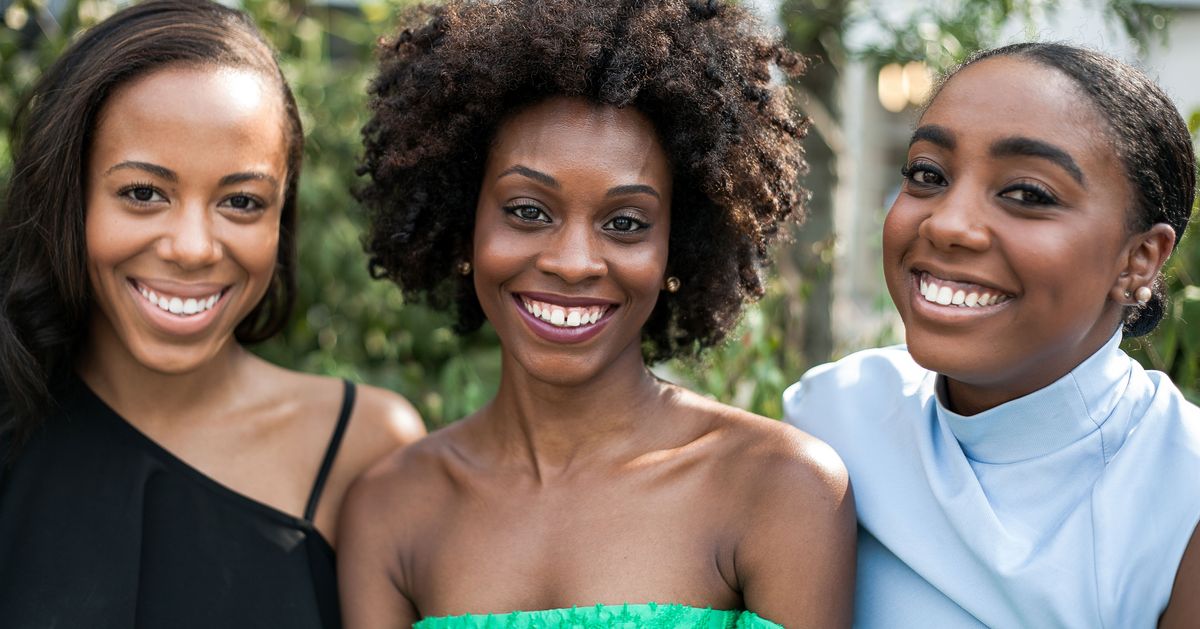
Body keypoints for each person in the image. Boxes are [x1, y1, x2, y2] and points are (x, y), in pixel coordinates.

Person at [339, 1, 855, 627]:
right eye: (528, 210)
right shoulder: (391, 509)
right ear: (461, 224)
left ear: (680, 244)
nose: (574, 261)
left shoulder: (778, 487)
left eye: (625, 223)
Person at [0, 2, 424, 627]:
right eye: (143, 194)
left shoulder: (364, 448)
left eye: (242, 201)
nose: (194, 247)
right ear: (69, 196)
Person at [784, 42, 1200, 628]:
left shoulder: (1184, 491)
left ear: (1139, 260)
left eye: (1027, 194)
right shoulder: (831, 419)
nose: (948, 223)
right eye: (928, 175)